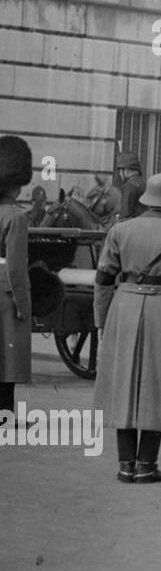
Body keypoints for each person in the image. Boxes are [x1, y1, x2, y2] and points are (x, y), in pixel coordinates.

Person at [93, 174, 161, 483]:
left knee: (124, 382)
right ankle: (146, 464)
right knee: (159, 383)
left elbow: (103, 279)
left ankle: (125, 465)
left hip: (124, 305)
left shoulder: (120, 230)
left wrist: (101, 318)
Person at [0, 136, 34, 417]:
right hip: (5, 295)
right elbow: (15, 269)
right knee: (8, 360)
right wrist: (23, 305)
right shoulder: (15, 216)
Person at [115, 151, 146, 221]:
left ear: (127, 170)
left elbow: (125, 214)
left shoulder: (130, 186)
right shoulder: (144, 182)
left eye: (120, 170)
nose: (120, 174)